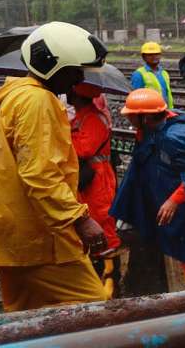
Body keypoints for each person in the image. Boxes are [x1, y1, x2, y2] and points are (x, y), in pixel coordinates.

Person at [0, 22, 110, 311]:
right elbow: (40, 173)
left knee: (24, 314)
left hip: (11, 230)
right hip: (40, 237)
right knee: (93, 308)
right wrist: (80, 219)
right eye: (74, 69)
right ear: (53, 67)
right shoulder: (38, 100)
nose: (78, 78)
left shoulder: (13, 95)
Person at [110, 88, 185, 288]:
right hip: (173, 208)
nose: (128, 120)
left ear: (145, 118)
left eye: (131, 116)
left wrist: (173, 200)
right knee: (182, 254)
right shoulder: (153, 130)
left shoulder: (174, 137)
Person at [68, 83, 120, 253]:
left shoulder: (93, 118)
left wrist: (64, 138)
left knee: (101, 218)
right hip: (89, 175)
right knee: (89, 214)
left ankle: (110, 268)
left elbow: (84, 149)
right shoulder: (82, 117)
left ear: (78, 95)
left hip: (98, 176)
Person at [130, 41, 173, 111]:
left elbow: (167, 94)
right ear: (144, 57)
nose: (154, 57)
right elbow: (135, 98)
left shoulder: (164, 73)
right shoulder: (139, 74)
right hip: (149, 114)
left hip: (166, 111)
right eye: (150, 55)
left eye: (156, 54)